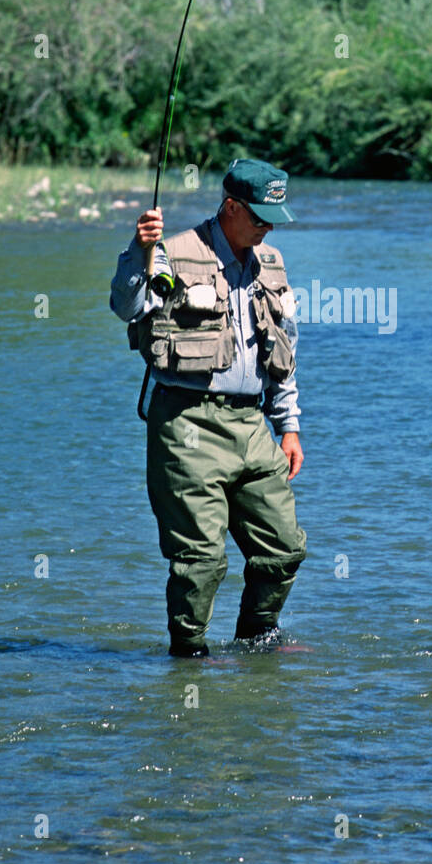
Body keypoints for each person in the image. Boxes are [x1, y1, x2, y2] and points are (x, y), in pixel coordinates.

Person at [110, 158, 307, 657]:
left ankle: (257, 640)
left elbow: (284, 350)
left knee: (283, 548)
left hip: (253, 425)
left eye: (272, 221)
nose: (265, 230)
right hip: (186, 423)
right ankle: (189, 657)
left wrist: (288, 426)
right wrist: (141, 250)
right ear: (230, 207)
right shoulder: (170, 253)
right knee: (200, 559)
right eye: (258, 218)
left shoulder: (272, 263)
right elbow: (126, 306)